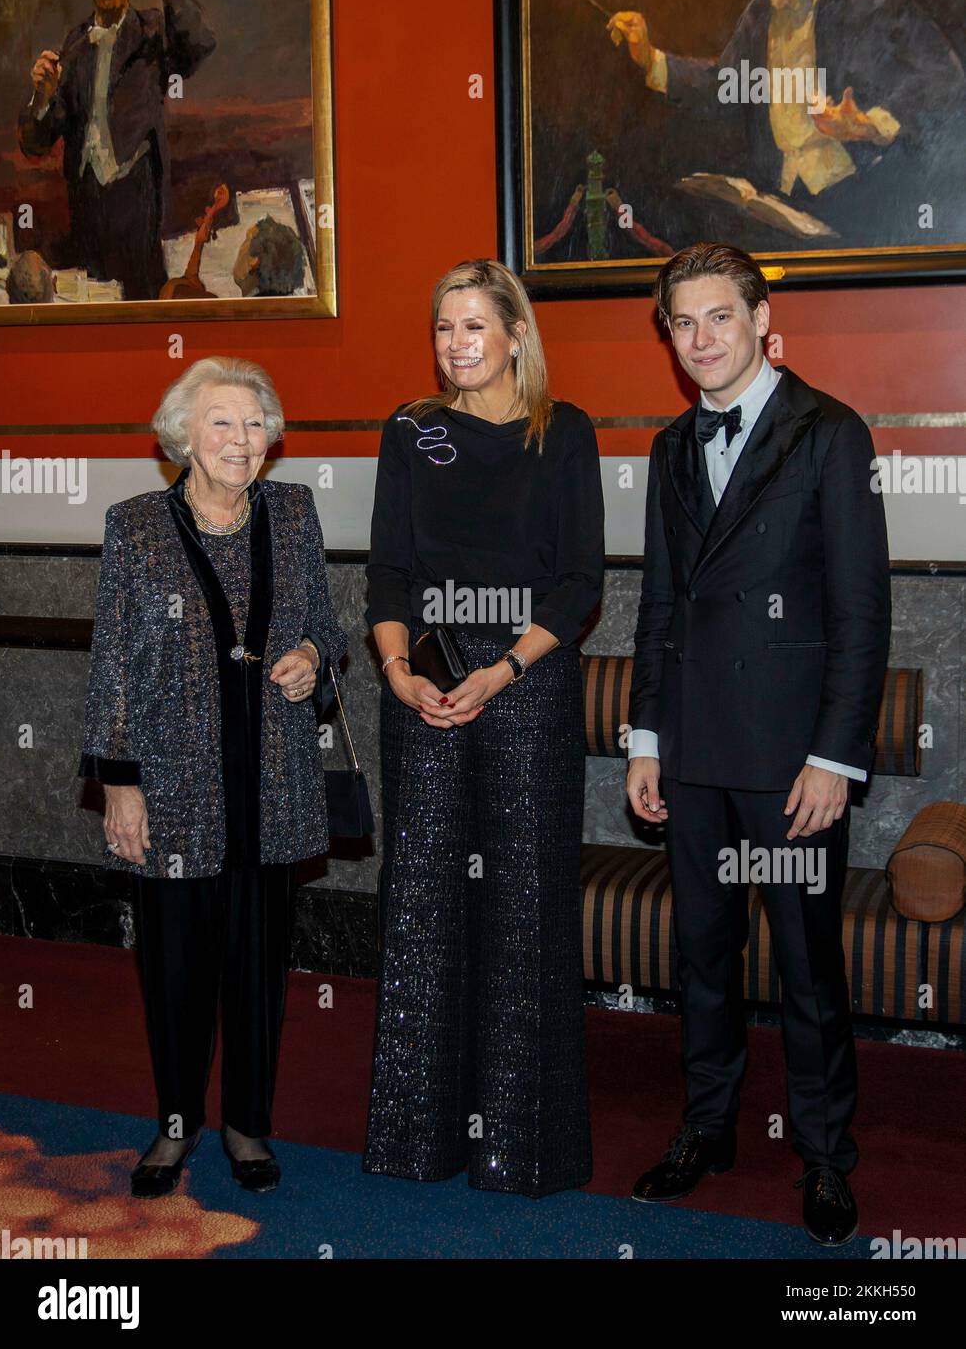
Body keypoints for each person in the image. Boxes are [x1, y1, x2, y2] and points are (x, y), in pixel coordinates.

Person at [626, 241, 890, 1244]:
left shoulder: (832, 434)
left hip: (790, 767)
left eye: (718, 319)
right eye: (681, 324)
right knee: (702, 954)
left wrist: (835, 757)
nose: (699, 341)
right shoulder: (666, 449)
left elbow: (863, 615)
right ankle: (707, 1127)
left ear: (760, 318)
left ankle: (825, 1154)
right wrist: (646, 735)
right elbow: (658, 602)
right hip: (690, 751)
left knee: (808, 968)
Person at [363, 258, 605, 1197]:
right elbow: (389, 571)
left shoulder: (567, 432)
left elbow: (580, 582)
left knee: (522, 906)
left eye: (474, 327)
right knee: (422, 908)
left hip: (528, 678)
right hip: (421, 679)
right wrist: (395, 674)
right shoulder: (409, 431)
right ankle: (418, 1141)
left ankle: (520, 1149)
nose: (456, 345)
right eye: (442, 328)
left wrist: (502, 670)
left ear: (515, 335)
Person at [78, 356, 346, 1197]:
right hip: (173, 787)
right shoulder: (136, 526)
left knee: (258, 968)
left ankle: (245, 1124)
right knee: (174, 970)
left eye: (254, 422)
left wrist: (310, 657)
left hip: (271, 785)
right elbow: (113, 661)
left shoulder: (294, 514)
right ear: (183, 436)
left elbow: (327, 631)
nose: (241, 438)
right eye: (222, 421)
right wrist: (119, 784)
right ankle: (173, 1125)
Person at [606, 0, 966, 242]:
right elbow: (724, 85)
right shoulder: (760, 11)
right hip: (781, 207)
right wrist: (650, 58)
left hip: (866, 202)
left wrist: (869, 125)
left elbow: (946, 81)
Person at [18, 0, 216, 299]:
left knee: (140, 302)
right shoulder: (74, 45)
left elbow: (200, 43)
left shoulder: (153, 31)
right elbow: (35, 144)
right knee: (91, 303)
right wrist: (42, 98)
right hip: (86, 204)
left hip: (137, 201)